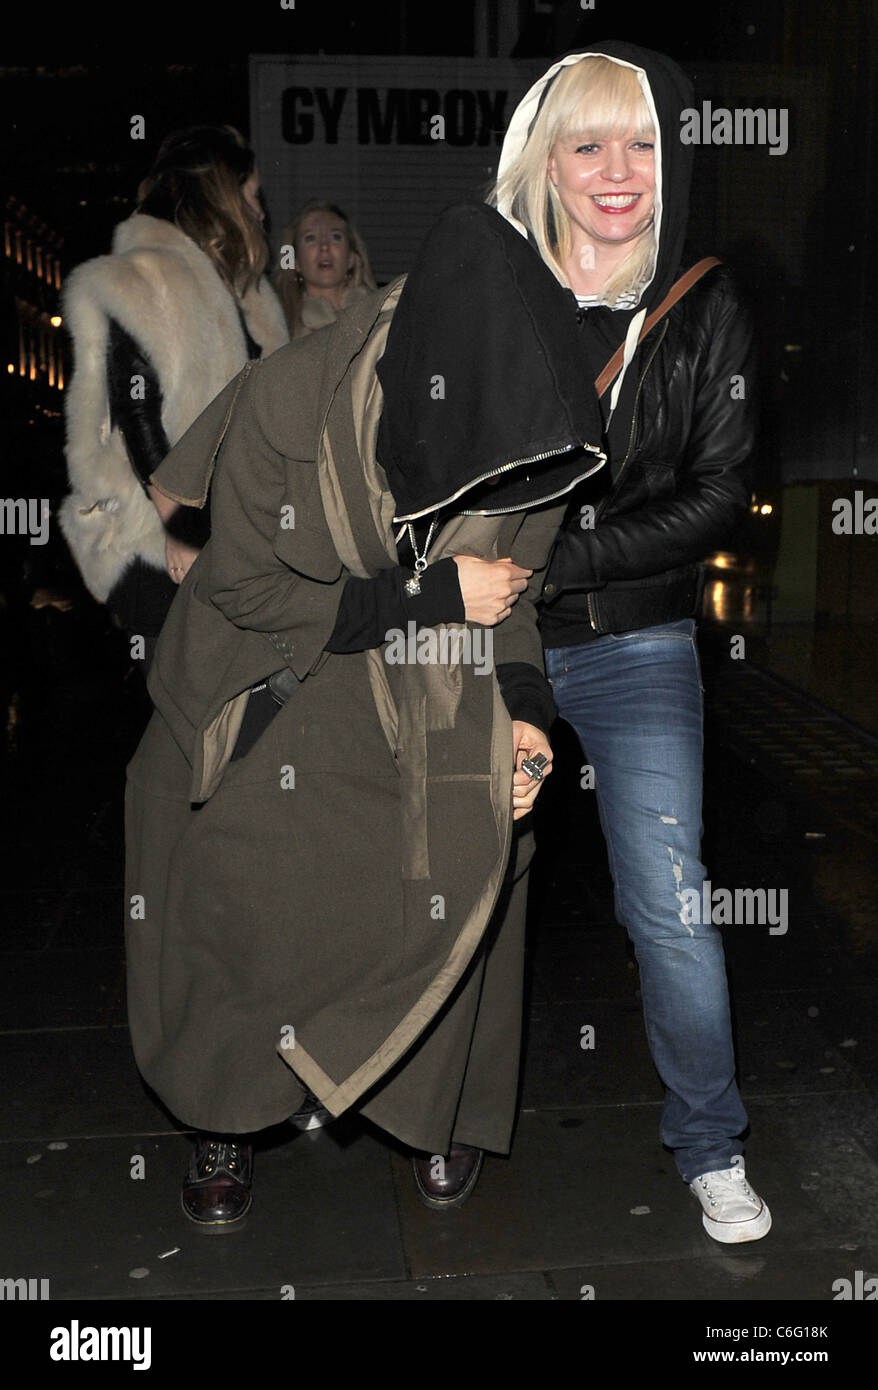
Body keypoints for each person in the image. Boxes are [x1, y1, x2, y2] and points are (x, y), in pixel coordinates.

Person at [123, 190, 609, 1227]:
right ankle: (222, 1111)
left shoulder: (528, 422)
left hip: (428, 668)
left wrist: (527, 716)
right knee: (243, 879)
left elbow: (509, 608)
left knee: (469, 859)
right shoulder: (291, 395)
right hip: (269, 660)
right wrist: (430, 592)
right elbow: (242, 588)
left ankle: (432, 1115)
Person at [492, 42, 770, 1244]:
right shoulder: (491, 291)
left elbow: (716, 495)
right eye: (588, 143)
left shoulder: (708, 305)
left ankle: (709, 1144)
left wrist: (566, 561)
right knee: (454, 885)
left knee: (669, 900)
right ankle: (436, 1116)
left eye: (643, 142)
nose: (617, 171)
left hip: (637, 642)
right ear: (542, 162)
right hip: (489, 633)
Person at [59, 125, 288, 668]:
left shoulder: (240, 296)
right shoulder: (147, 277)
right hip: (164, 550)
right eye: (253, 196)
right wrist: (181, 530)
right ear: (223, 194)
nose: (260, 214)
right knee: (194, 733)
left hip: (226, 544)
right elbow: (137, 411)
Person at [275, 199, 376, 339]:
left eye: (335, 236)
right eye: (310, 238)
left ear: (352, 257)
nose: (324, 246)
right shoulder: (280, 328)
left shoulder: (380, 317)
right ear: (295, 261)